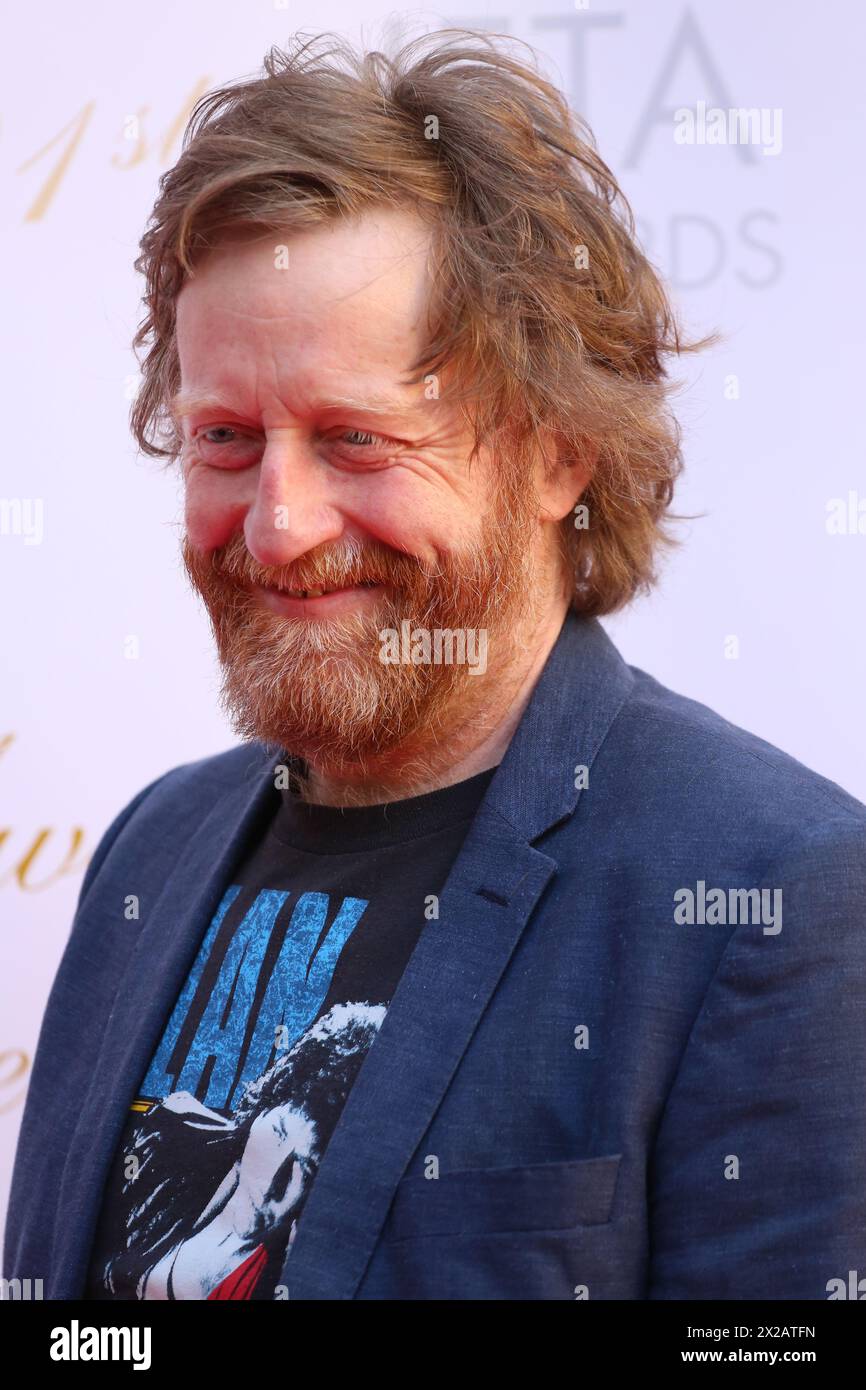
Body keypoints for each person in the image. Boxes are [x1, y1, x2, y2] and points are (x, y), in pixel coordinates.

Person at [5, 27, 865, 1301]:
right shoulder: (150, 846)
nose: (277, 524)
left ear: (557, 453)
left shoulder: (773, 891)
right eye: (228, 437)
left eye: (356, 438)